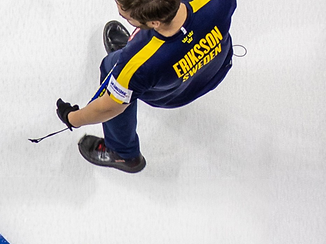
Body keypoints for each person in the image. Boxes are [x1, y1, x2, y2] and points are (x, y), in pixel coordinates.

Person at [55, 0, 238, 173]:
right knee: (133, 68)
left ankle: (124, 154)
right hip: (216, 68)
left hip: (172, 94)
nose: (125, 18)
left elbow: (108, 108)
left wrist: (72, 118)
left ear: (154, 22)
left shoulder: (136, 65)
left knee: (112, 66)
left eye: (128, 18)